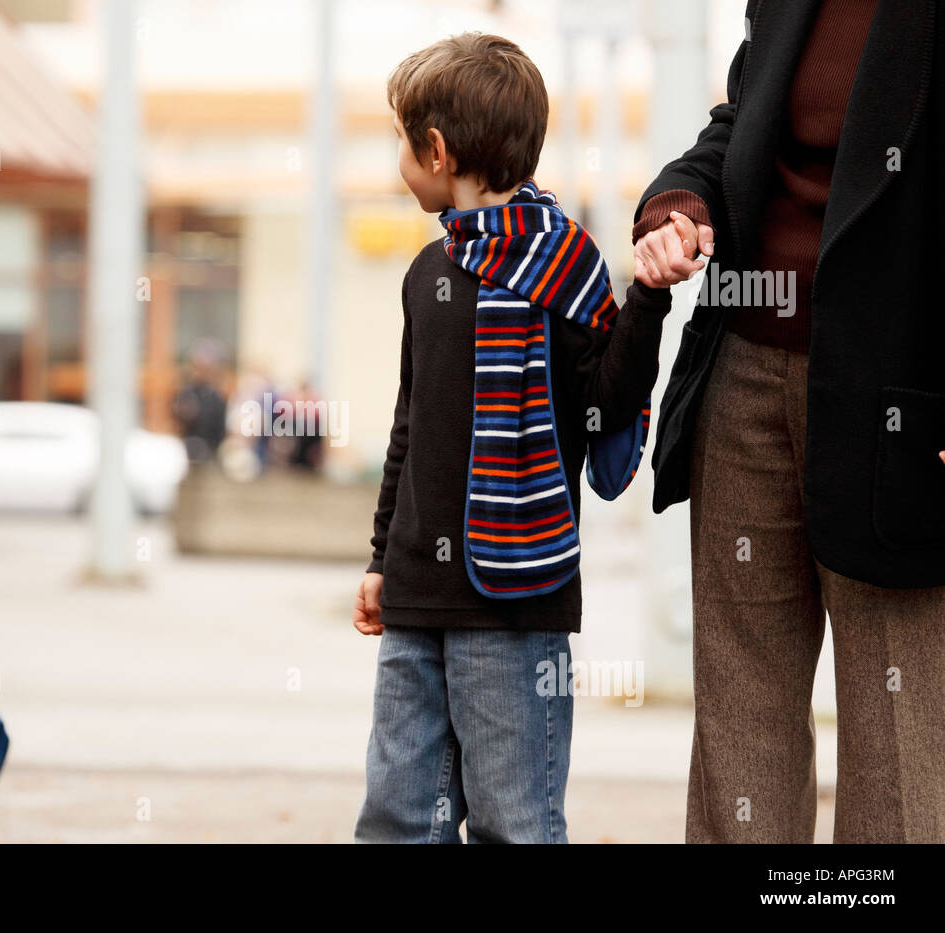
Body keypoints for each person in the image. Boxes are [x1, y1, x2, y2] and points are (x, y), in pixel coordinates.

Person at [634, 0, 945, 843]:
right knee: (741, 711)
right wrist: (680, 202)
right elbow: (743, 121)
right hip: (743, 365)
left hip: (895, 402)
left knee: (899, 735)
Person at [353, 33, 673, 843]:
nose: (398, 156)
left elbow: (605, 403)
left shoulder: (565, 266)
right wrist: (380, 557)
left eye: (401, 138)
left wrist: (648, 302)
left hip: (518, 604)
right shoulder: (426, 273)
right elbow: (408, 425)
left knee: (515, 821)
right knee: (397, 817)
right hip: (418, 599)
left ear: (435, 149)